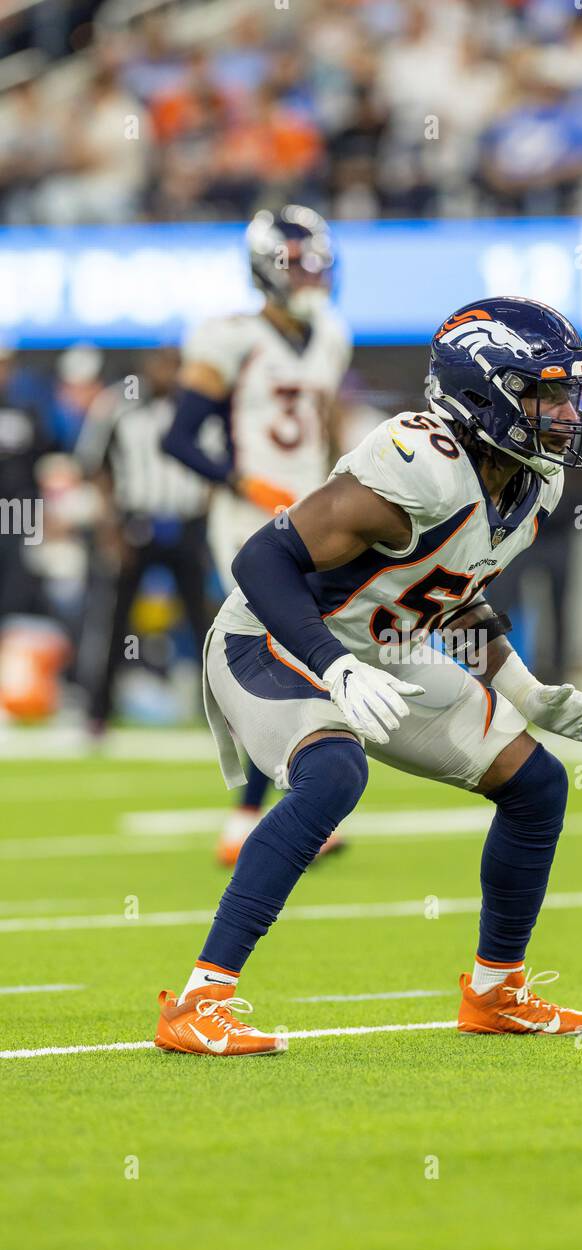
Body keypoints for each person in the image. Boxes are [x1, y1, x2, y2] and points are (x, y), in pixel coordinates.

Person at [154, 296, 582, 1057]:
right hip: (268, 638)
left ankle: (496, 991)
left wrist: (527, 691)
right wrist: (334, 667)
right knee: (334, 773)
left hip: (381, 651)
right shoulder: (421, 464)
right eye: (545, 393)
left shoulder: (534, 487)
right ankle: (200, 1001)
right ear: (483, 393)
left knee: (536, 785)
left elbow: (450, 596)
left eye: (571, 393)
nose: (567, 413)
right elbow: (262, 560)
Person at [162, 203, 352, 863]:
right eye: (300, 263)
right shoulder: (229, 338)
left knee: (306, 657)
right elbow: (178, 439)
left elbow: (326, 425)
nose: (313, 276)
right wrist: (245, 483)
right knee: (281, 652)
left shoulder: (330, 333)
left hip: (310, 517)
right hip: (250, 520)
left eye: (317, 263)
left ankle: (286, 807)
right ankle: (251, 818)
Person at [76, 348, 212, 731]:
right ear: (145, 368)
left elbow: (216, 467)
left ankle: (225, 712)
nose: (167, 373)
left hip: (186, 523)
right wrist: (111, 529)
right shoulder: (118, 404)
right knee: (115, 620)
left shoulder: (198, 407)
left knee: (205, 622)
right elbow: (96, 467)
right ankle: (98, 712)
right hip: (136, 524)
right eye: (161, 365)